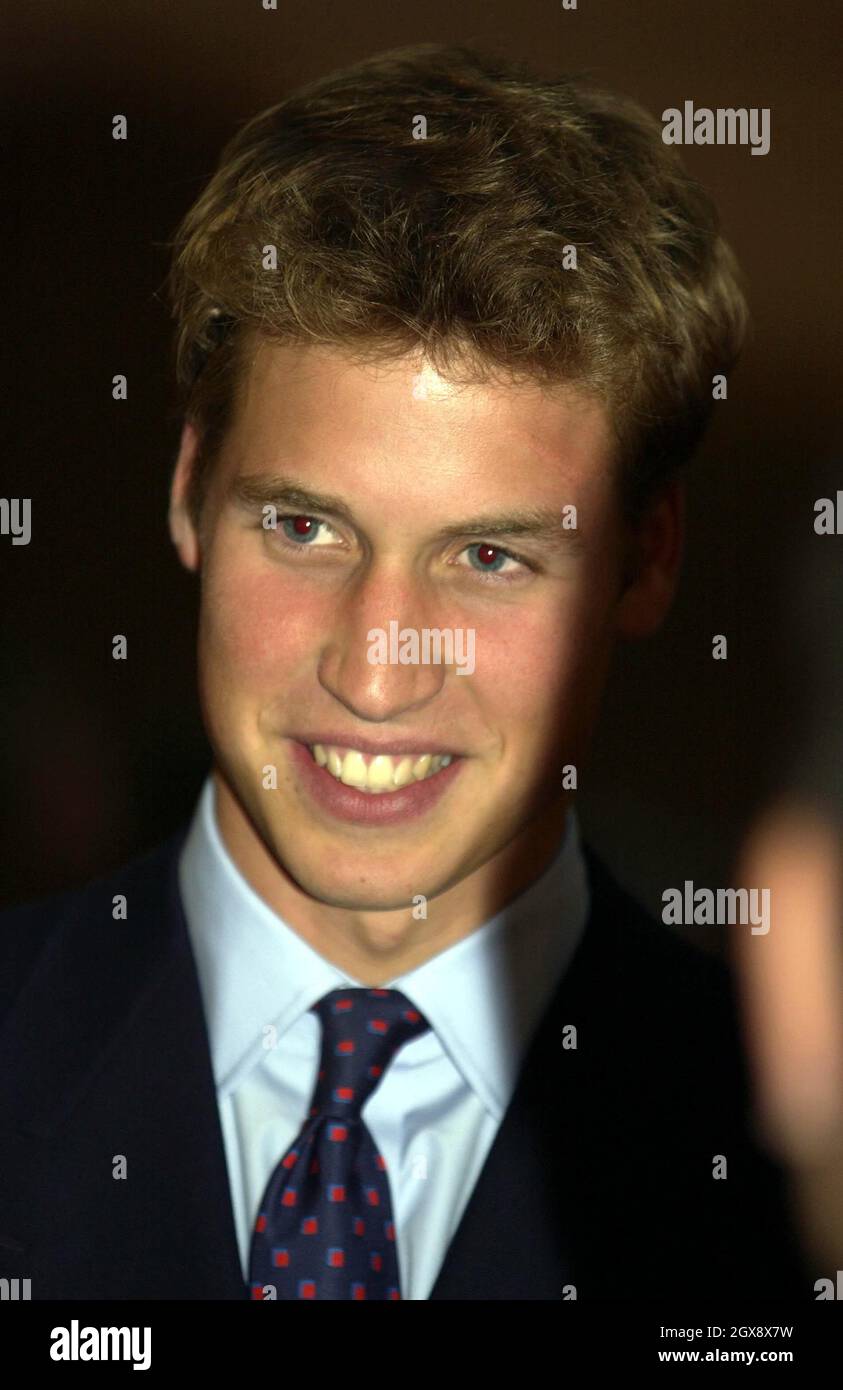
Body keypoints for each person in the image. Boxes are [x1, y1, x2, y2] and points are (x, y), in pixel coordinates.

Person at [0, 42, 814, 1300]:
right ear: (189, 493)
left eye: (489, 555)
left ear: (647, 563)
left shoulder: (790, 1167)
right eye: (304, 528)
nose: (378, 674)